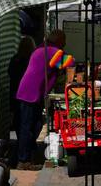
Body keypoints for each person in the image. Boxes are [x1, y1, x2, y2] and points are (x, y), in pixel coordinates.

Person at [14, 29, 67, 170]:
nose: (66, 43)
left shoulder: (42, 48)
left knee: (35, 125)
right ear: (59, 40)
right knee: (28, 127)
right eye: (64, 40)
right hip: (30, 93)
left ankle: (28, 157)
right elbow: (70, 63)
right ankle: (23, 160)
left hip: (29, 92)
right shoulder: (52, 51)